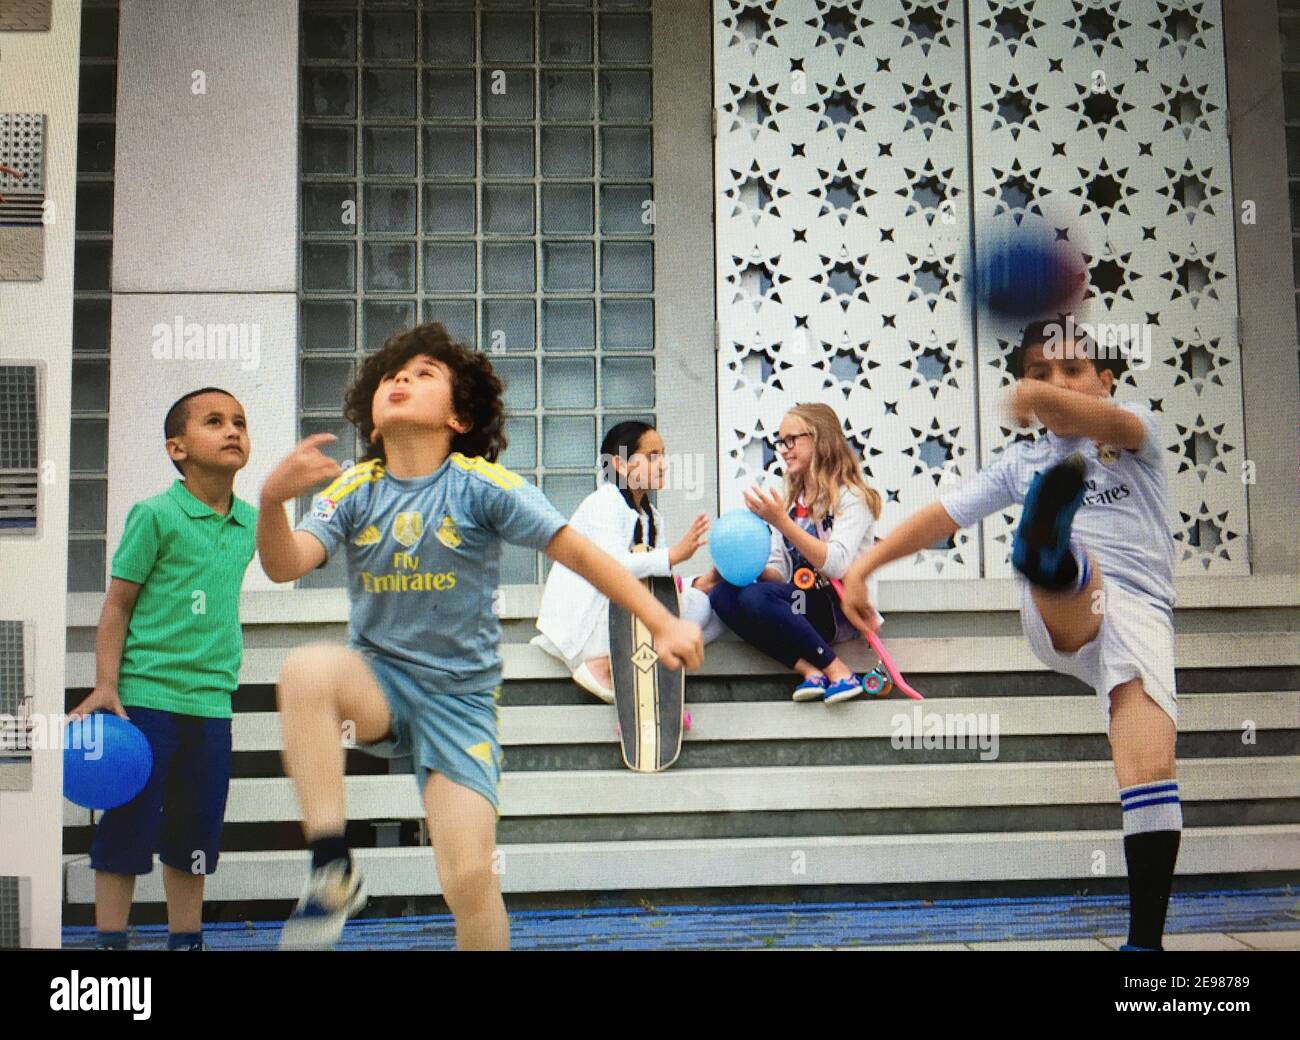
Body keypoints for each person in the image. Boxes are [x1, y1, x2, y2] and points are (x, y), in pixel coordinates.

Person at [256, 323, 702, 950]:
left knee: (468, 878)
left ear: (460, 417)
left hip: (458, 706)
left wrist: (661, 620)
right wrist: (272, 500)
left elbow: (579, 554)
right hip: (378, 685)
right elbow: (284, 564)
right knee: (306, 669)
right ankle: (333, 867)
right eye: (392, 375)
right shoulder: (355, 489)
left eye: (423, 373)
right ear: (374, 420)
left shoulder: (481, 485)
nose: (401, 379)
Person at [841, 319, 1180, 952]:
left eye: (1072, 370)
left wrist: (1038, 397)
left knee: (1148, 762)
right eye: (1039, 373)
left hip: (1142, 617)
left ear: (1106, 382)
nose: (1055, 385)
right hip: (1062, 605)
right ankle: (1051, 550)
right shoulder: (1020, 460)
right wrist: (861, 567)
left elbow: (1105, 420)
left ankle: (1144, 950)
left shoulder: (1135, 429)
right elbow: (936, 518)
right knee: (1079, 576)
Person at [71, 388, 257, 951]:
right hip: (144, 703)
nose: (232, 431)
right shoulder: (154, 515)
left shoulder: (250, 522)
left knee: (194, 835)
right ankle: (110, 943)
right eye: (214, 421)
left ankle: (186, 939)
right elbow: (117, 606)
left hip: (212, 707)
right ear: (177, 448)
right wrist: (107, 685)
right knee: (127, 827)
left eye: (240, 423)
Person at [532, 420, 726, 702]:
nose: (663, 465)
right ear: (621, 465)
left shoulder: (651, 517)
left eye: (663, 455)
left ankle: (640, 675)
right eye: (652, 456)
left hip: (622, 619)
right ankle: (603, 666)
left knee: (706, 607)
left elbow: (652, 577)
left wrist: (699, 582)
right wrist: (674, 555)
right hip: (587, 623)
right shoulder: (604, 503)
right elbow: (612, 569)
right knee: (668, 611)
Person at [708, 402, 886, 704]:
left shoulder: (853, 498)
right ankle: (809, 671)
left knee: (757, 597)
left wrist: (780, 521)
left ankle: (838, 671)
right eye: (781, 442)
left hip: (839, 608)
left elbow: (837, 564)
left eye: (792, 439)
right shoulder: (792, 501)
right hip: (801, 605)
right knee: (723, 594)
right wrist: (738, 565)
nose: (784, 449)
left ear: (821, 439)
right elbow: (778, 570)